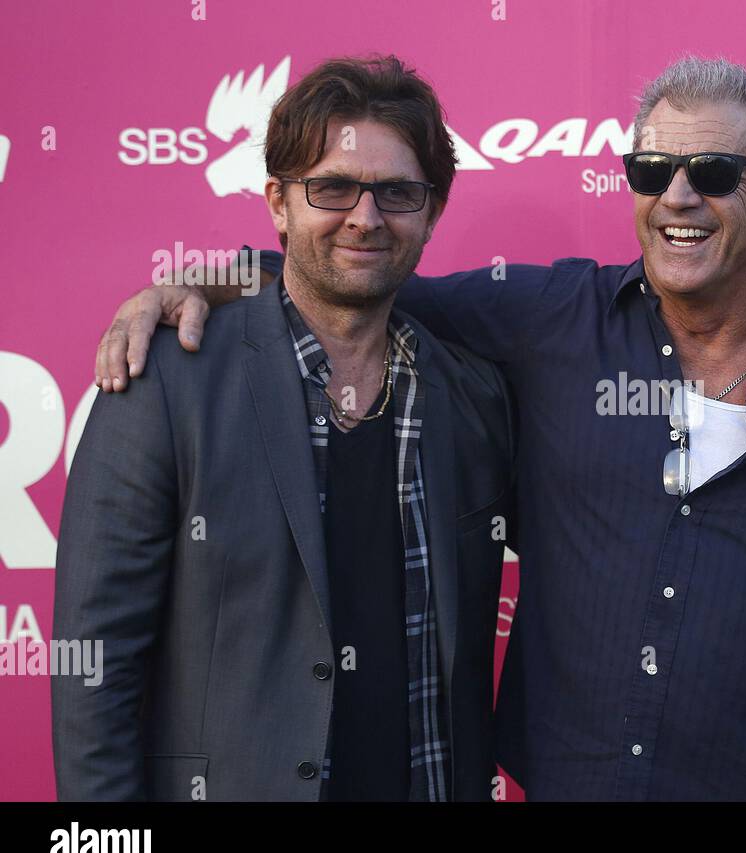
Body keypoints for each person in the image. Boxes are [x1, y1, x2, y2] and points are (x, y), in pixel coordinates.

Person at [92, 56, 746, 801]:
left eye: (715, 172)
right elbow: (359, 271)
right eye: (652, 169)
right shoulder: (551, 321)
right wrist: (208, 278)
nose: (678, 196)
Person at [53, 56, 515, 801]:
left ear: (430, 213)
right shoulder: (169, 381)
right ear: (278, 201)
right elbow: (93, 660)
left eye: (397, 193)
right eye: (332, 188)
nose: (365, 217)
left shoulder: (473, 396)